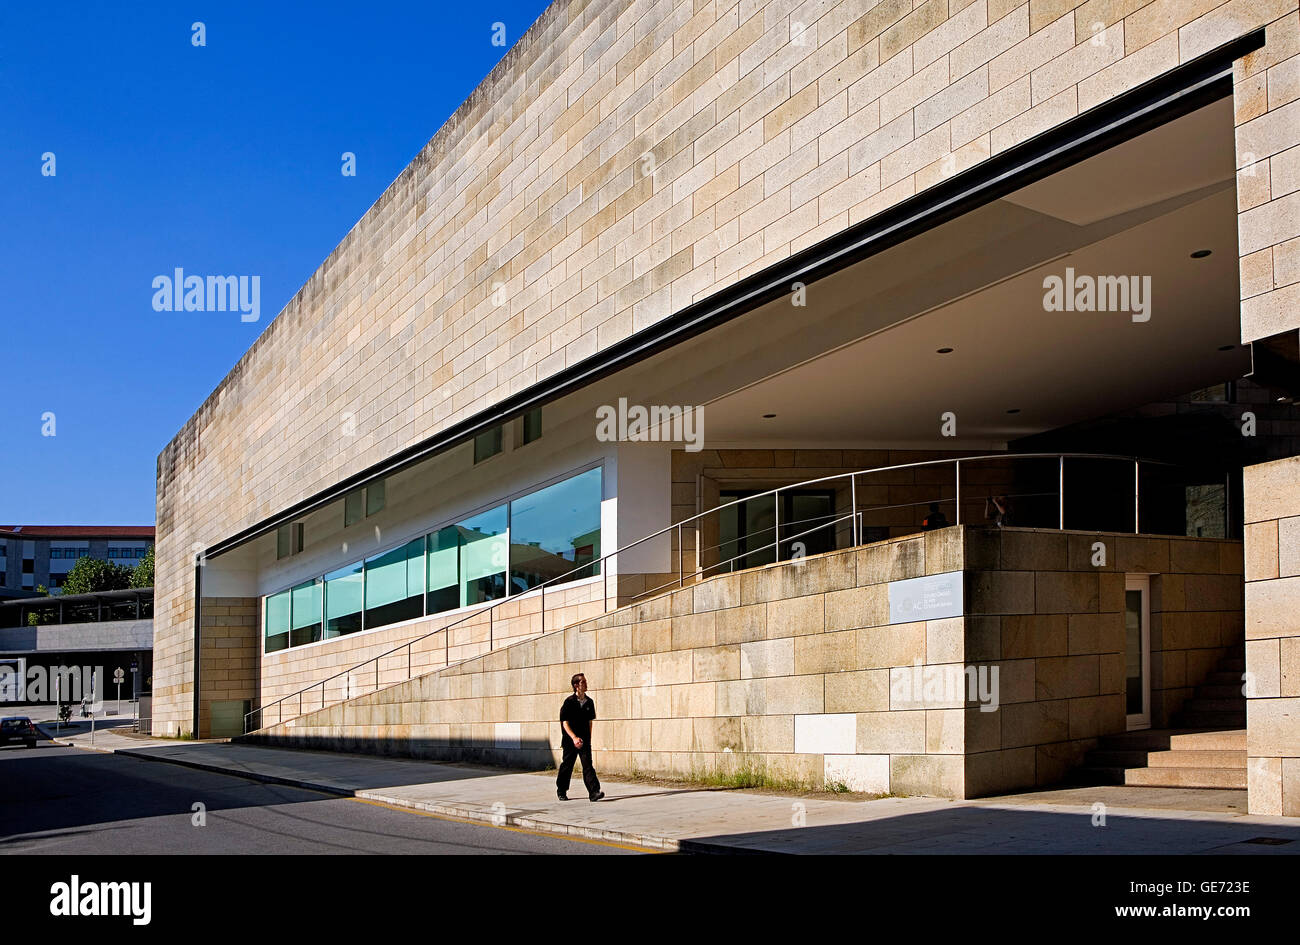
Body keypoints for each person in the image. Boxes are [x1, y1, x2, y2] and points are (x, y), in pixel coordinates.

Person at [556, 673, 604, 802]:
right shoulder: (569, 702)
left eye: (586, 681)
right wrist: (574, 738)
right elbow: (564, 722)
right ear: (576, 685)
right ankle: (561, 790)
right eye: (583, 682)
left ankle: (594, 792)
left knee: (588, 765)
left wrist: (588, 738)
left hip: (584, 741)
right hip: (570, 740)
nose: (586, 684)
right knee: (567, 766)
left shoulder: (589, 702)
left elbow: (590, 722)